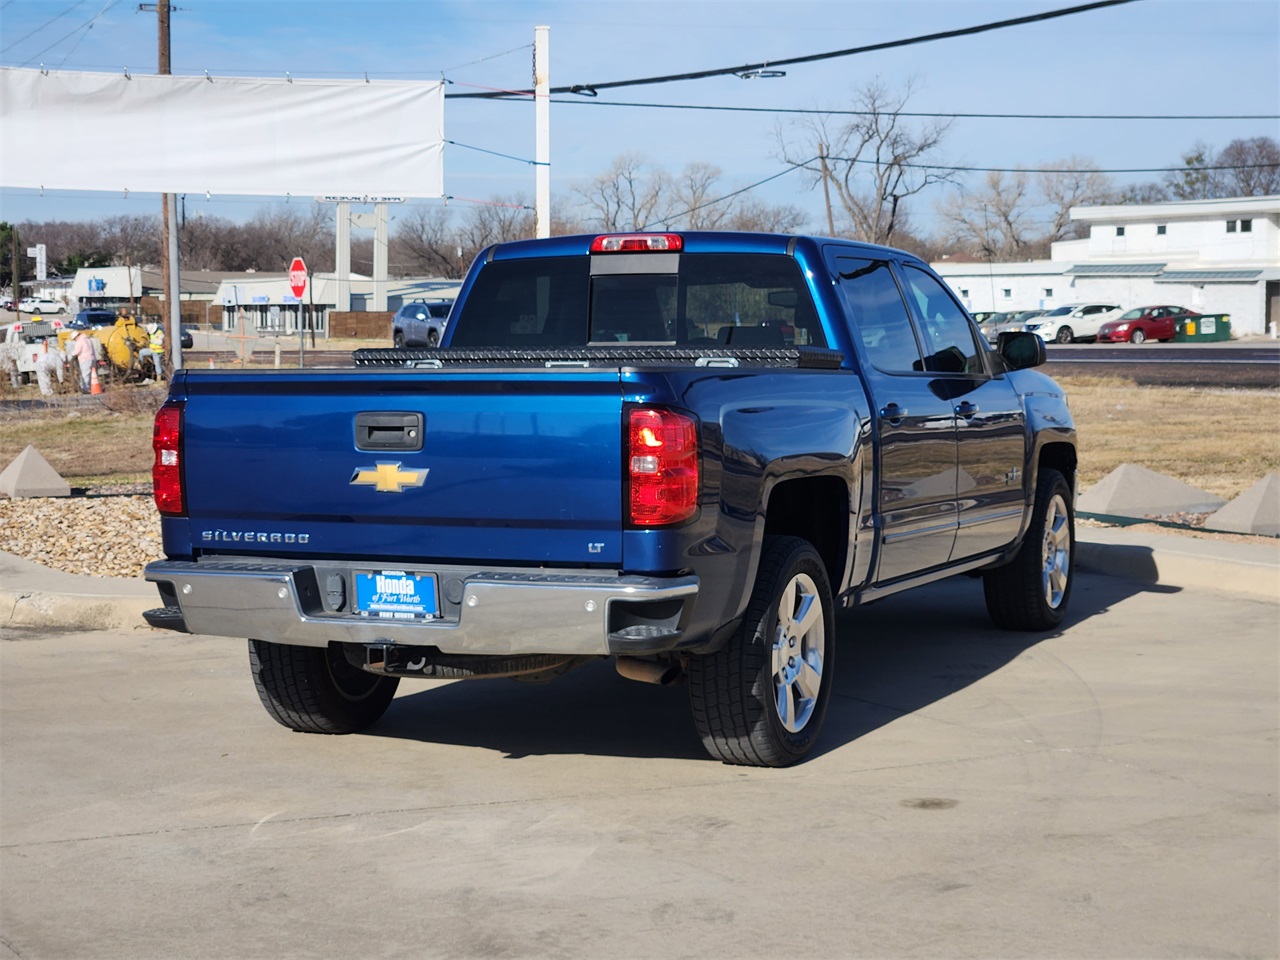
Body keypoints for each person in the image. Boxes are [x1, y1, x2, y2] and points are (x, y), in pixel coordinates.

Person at [67, 328, 96, 393]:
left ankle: (85, 389)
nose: (75, 340)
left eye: (74, 339)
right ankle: (92, 387)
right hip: (92, 358)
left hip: (85, 359)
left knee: (85, 375)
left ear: (76, 337)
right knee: (92, 375)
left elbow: (77, 351)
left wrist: (71, 355)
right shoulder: (88, 340)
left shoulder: (80, 341)